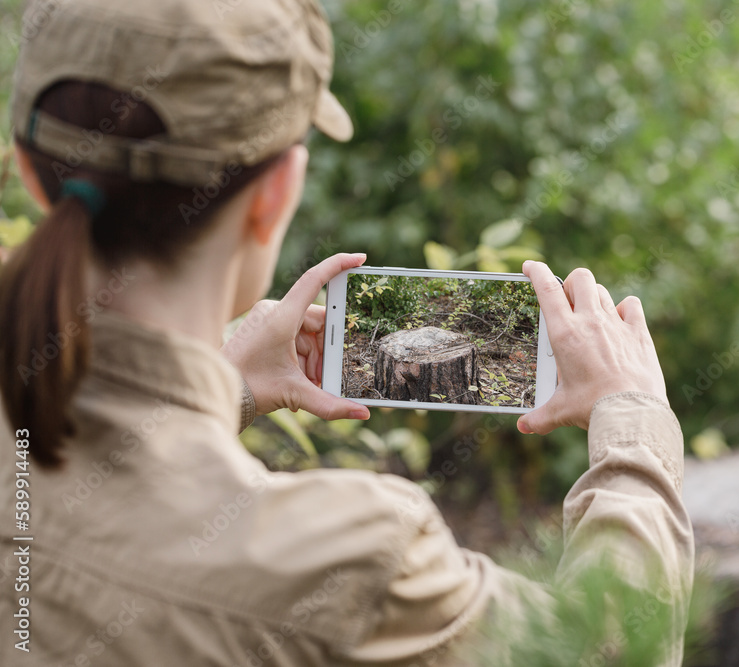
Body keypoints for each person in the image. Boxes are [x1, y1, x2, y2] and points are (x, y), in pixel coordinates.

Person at [0, 0, 694, 664]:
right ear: (274, 198)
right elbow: (605, 649)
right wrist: (632, 423)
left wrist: (221, 386)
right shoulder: (354, 561)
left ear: (30, 170)